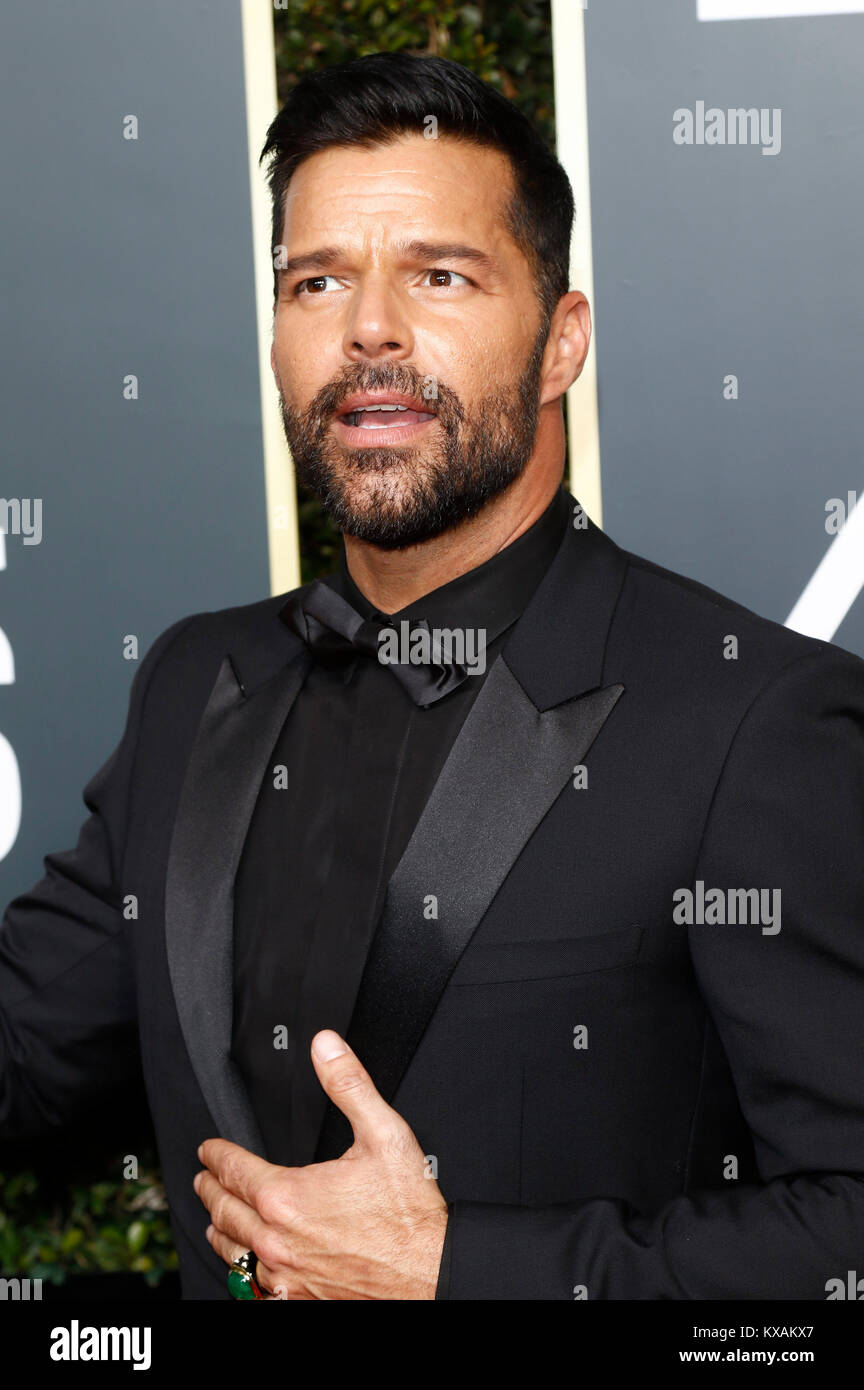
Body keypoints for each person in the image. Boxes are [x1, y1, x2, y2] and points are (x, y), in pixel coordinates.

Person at [2, 52, 863, 1301]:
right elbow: (28, 1058)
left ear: (562, 341)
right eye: (318, 281)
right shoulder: (198, 681)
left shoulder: (752, 720)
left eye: (440, 275)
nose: (369, 329)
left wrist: (454, 1270)